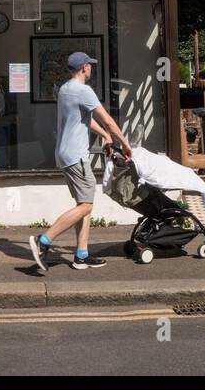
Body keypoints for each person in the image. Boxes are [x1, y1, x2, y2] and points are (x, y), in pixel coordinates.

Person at [28, 52, 130, 272]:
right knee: (86, 205)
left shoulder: (65, 89)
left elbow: (84, 119)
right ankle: (43, 241)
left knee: (83, 205)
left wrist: (104, 135)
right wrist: (126, 144)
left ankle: (81, 255)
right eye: (90, 65)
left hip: (64, 153)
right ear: (84, 67)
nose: (91, 68)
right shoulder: (84, 91)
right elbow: (109, 121)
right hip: (76, 156)